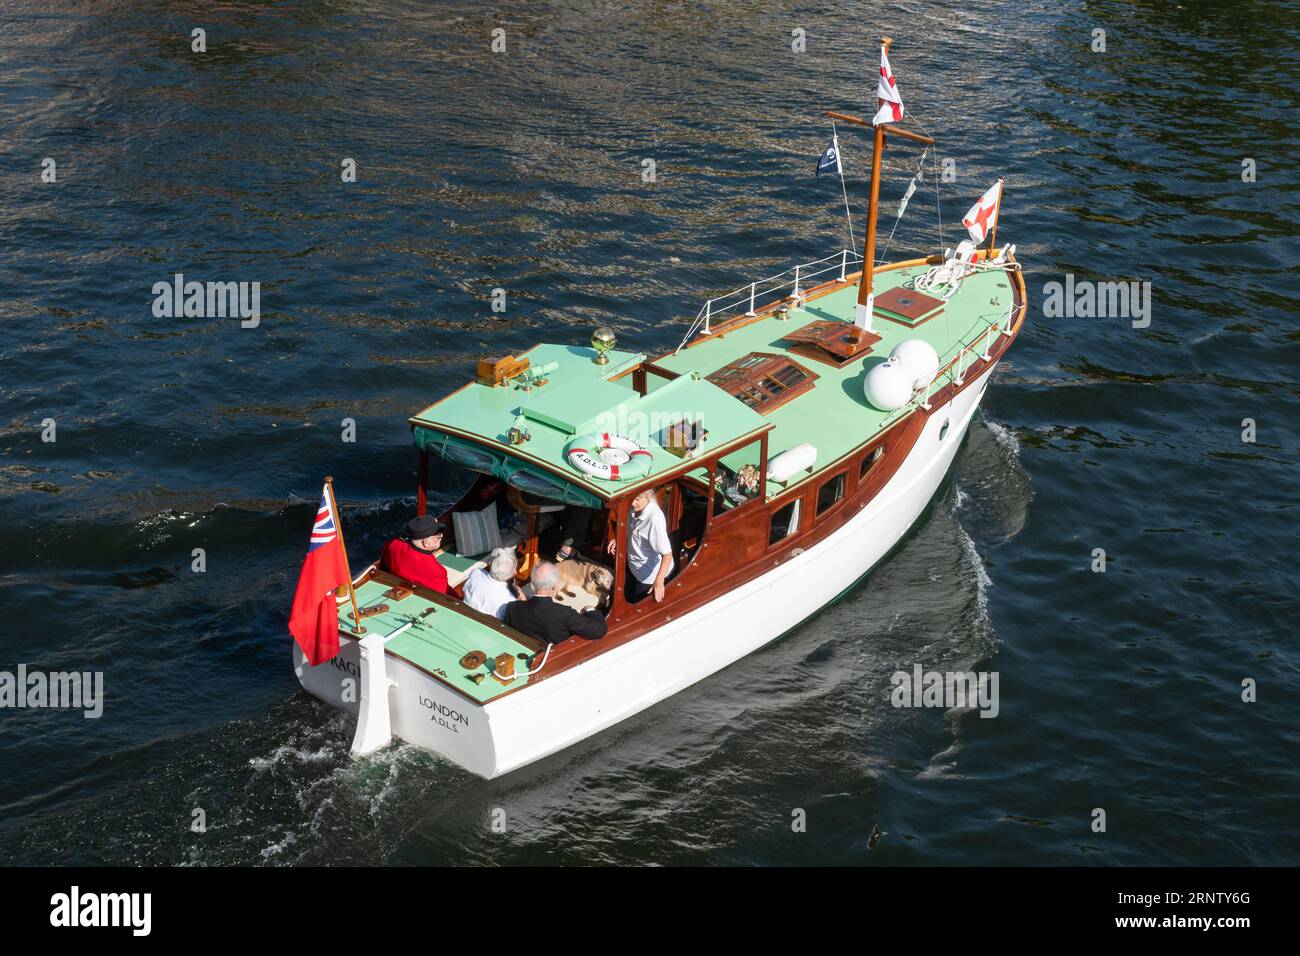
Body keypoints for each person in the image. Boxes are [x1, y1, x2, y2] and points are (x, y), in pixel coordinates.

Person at [504, 561, 607, 644]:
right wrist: (590, 610)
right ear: (553, 586)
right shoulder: (565, 615)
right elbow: (600, 630)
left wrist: (524, 603)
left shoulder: (512, 608)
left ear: (532, 585)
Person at [607, 487, 673, 602]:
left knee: (635, 605)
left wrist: (659, 581)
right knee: (625, 598)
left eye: (637, 499)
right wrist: (618, 538)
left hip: (648, 577)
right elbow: (629, 526)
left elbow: (667, 554)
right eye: (632, 498)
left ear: (648, 497)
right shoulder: (633, 506)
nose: (633, 503)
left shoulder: (654, 519)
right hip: (634, 568)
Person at [380, 514, 449, 595]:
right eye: (437, 536)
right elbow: (440, 597)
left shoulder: (394, 544)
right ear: (425, 542)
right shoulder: (437, 571)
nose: (441, 536)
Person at [463, 547, 523, 620]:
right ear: (513, 574)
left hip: (465, 617)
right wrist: (523, 602)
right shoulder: (510, 601)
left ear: (490, 564)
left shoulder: (475, 573)